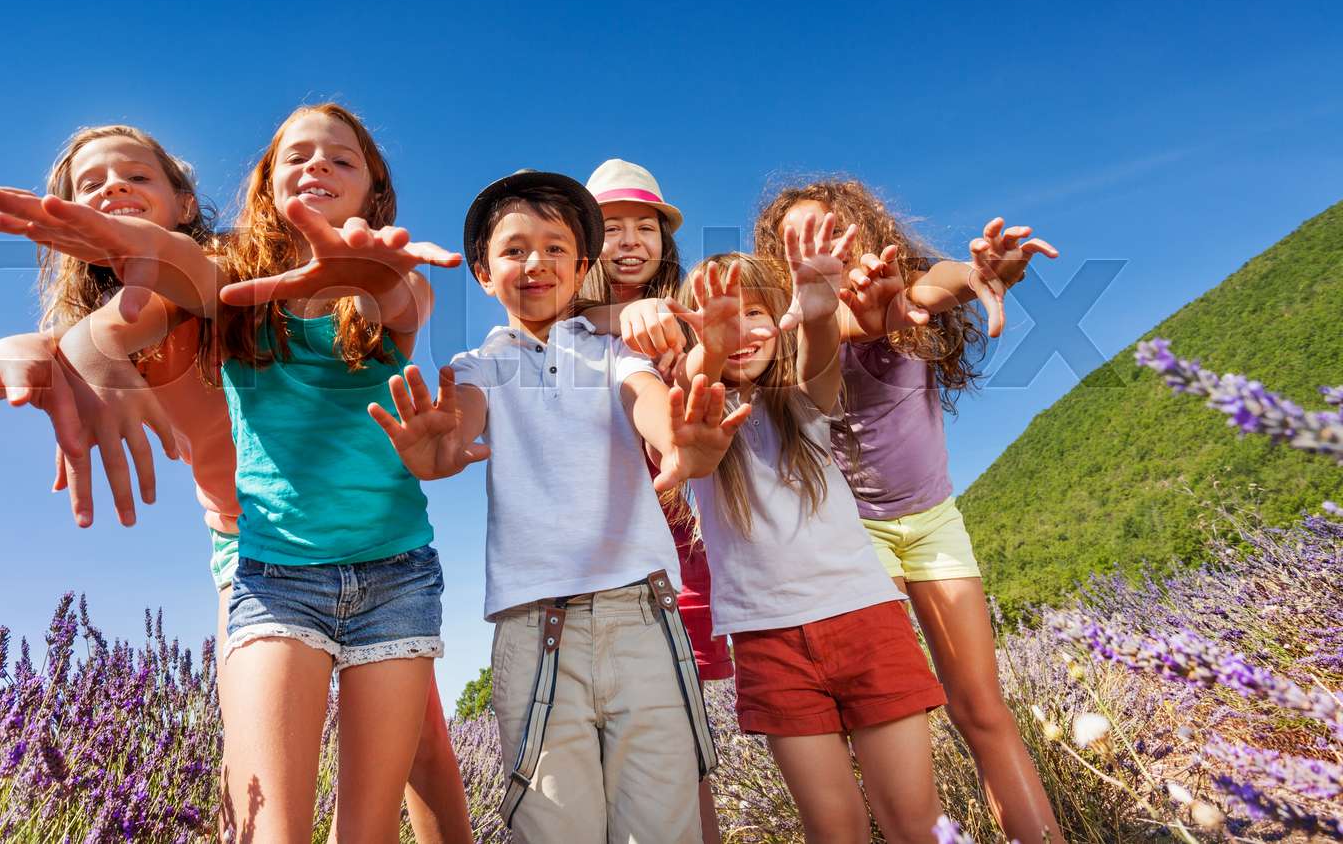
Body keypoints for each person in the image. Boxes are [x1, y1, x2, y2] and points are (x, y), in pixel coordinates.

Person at [0, 110, 473, 843]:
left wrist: (384, 283)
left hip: (379, 547)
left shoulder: (219, 270)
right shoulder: (190, 287)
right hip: (257, 549)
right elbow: (95, 330)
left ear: (185, 200)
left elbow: (175, 270)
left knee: (425, 749)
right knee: (250, 770)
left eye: (136, 176)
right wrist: (31, 349)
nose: (116, 189)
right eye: (92, 184)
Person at [368, 170, 746, 844]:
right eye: (514, 250)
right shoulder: (479, 363)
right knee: (555, 828)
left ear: (581, 269)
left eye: (554, 248)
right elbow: (459, 428)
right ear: (484, 272)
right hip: (533, 629)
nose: (535, 262)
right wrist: (440, 451)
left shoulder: (614, 354)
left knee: (666, 825)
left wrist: (684, 447)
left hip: (643, 618)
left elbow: (652, 408)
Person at [753, 178, 1065, 844]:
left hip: (934, 523)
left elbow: (929, 290)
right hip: (852, 534)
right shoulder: (794, 326)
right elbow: (835, 323)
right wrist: (834, 303)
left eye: (833, 231)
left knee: (982, 708)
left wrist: (977, 271)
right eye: (799, 242)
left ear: (867, 233)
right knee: (893, 717)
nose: (821, 247)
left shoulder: (903, 291)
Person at [675, 221, 947, 844]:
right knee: (833, 828)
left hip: (863, 620)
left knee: (916, 821)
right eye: (719, 315)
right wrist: (710, 353)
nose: (740, 329)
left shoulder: (802, 403)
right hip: (769, 644)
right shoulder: (694, 417)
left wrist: (820, 308)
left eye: (754, 312)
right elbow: (694, 383)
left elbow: (819, 362)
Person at [582, 158, 728, 844]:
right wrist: (627, 313)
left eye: (647, 226)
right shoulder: (569, 319)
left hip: (689, 549)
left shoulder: (687, 315)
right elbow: (567, 315)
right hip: (604, 562)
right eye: (613, 227)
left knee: (685, 739)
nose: (632, 240)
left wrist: (676, 329)